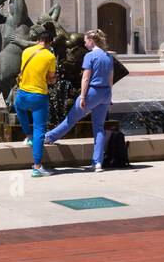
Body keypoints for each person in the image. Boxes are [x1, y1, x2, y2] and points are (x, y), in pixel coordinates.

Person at [45, 29, 115, 172]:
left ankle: (48, 137)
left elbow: (85, 78)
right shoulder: (109, 57)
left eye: (85, 41)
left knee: (71, 119)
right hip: (105, 93)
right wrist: (109, 97)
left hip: (92, 92)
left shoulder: (90, 56)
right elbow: (110, 79)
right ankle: (97, 163)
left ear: (91, 41)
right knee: (99, 128)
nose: (84, 44)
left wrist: (82, 96)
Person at [13, 24, 57, 177]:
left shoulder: (26, 51)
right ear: (50, 42)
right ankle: (37, 166)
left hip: (22, 93)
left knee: (19, 109)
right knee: (40, 130)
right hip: (38, 96)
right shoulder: (50, 56)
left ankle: (27, 136)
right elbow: (51, 79)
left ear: (38, 40)